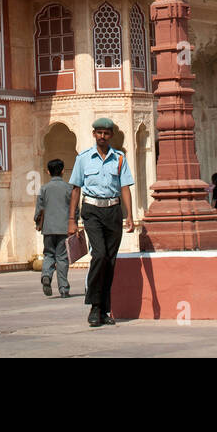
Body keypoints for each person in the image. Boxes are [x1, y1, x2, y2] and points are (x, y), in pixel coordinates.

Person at [68, 117, 134, 327]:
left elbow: (125, 187)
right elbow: (76, 188)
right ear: (94, 134)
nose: (102, 136)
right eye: (99, 133)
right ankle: (94, 306)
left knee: (110, 261)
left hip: (113, 210)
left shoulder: (120, 158)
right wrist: (72, 219)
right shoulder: (84, 158)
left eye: (106, 133)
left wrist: (130, 215)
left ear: (111, 135)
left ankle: (104, 309)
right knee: (100, 255)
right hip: (91, 210)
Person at [35, 158, 73, 298]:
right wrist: (74, 221)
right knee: (62, 258)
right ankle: (63, 288)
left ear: (48, 171)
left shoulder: (44, 189)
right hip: (64, 227)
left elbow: (39, 209)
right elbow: (74, 208)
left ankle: (46, 275)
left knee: (49, 254)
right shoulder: (69, 188)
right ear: (63, 171)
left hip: (48, 228)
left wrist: (37, 223)